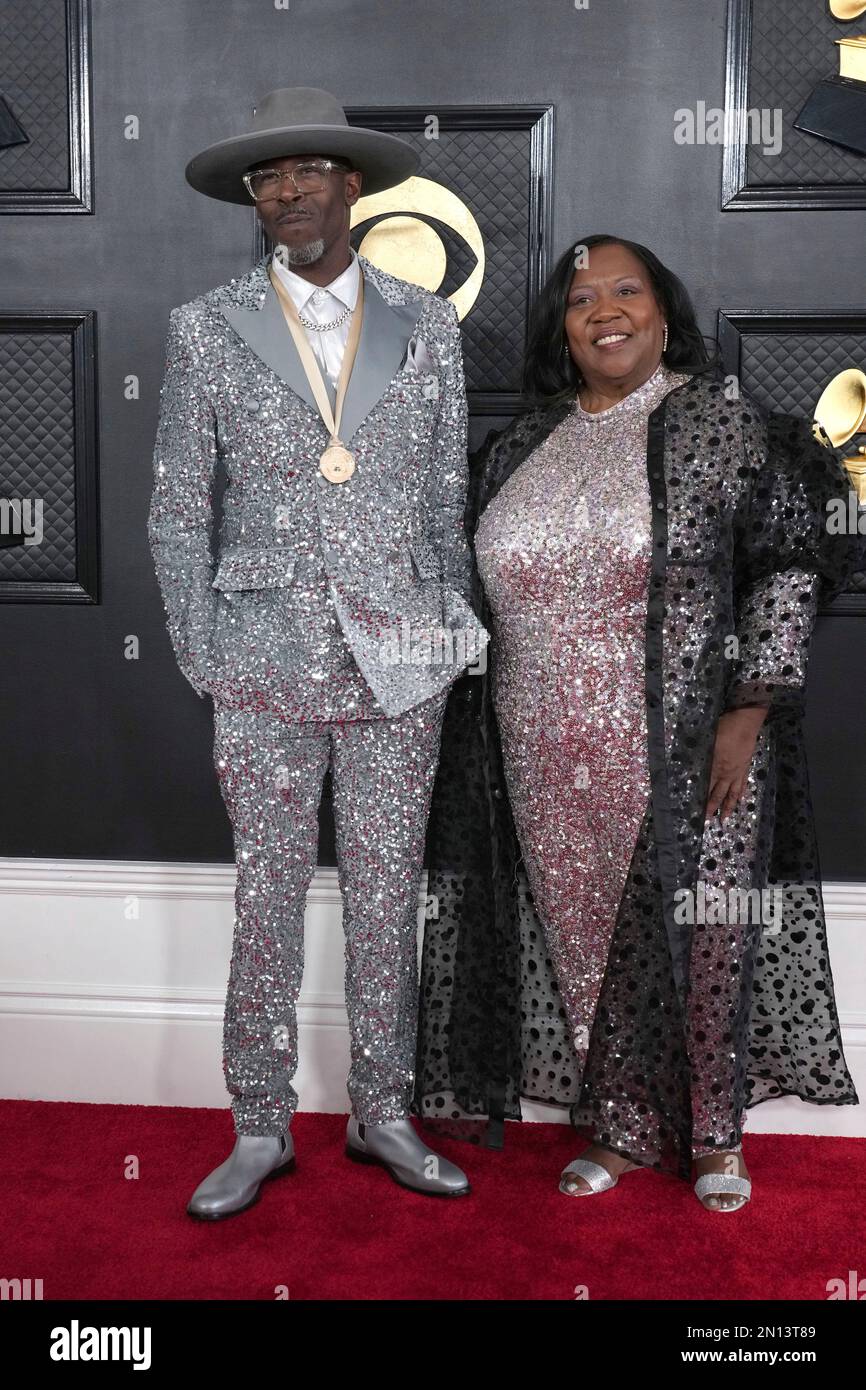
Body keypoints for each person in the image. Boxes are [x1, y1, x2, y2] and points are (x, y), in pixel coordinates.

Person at [414, 234, 862, 1212]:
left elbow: (790, 554)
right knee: (581, 941)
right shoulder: (521, 447)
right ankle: (619, 1122)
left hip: (683, 741)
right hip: (538, 745)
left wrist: (750, 704)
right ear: (561, 327)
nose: (603, 310)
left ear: (663, 314)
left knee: (702, 939)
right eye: (581, 298)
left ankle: (710, 1139)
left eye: (627, 291)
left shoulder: (713, 417)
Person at [148, 87, 488, 1219]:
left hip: (401, 663)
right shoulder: (204, 327)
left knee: (392, 895)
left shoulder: (428, 326)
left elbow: (446, 504)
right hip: (258, 658)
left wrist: (443, 637)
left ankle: (383, 1113)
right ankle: (258, 1124)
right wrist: (203, 654)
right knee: (267, 895)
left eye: (304, 173)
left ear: (352, 185)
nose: (284, 193)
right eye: (265, 179)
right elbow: (175, 510)